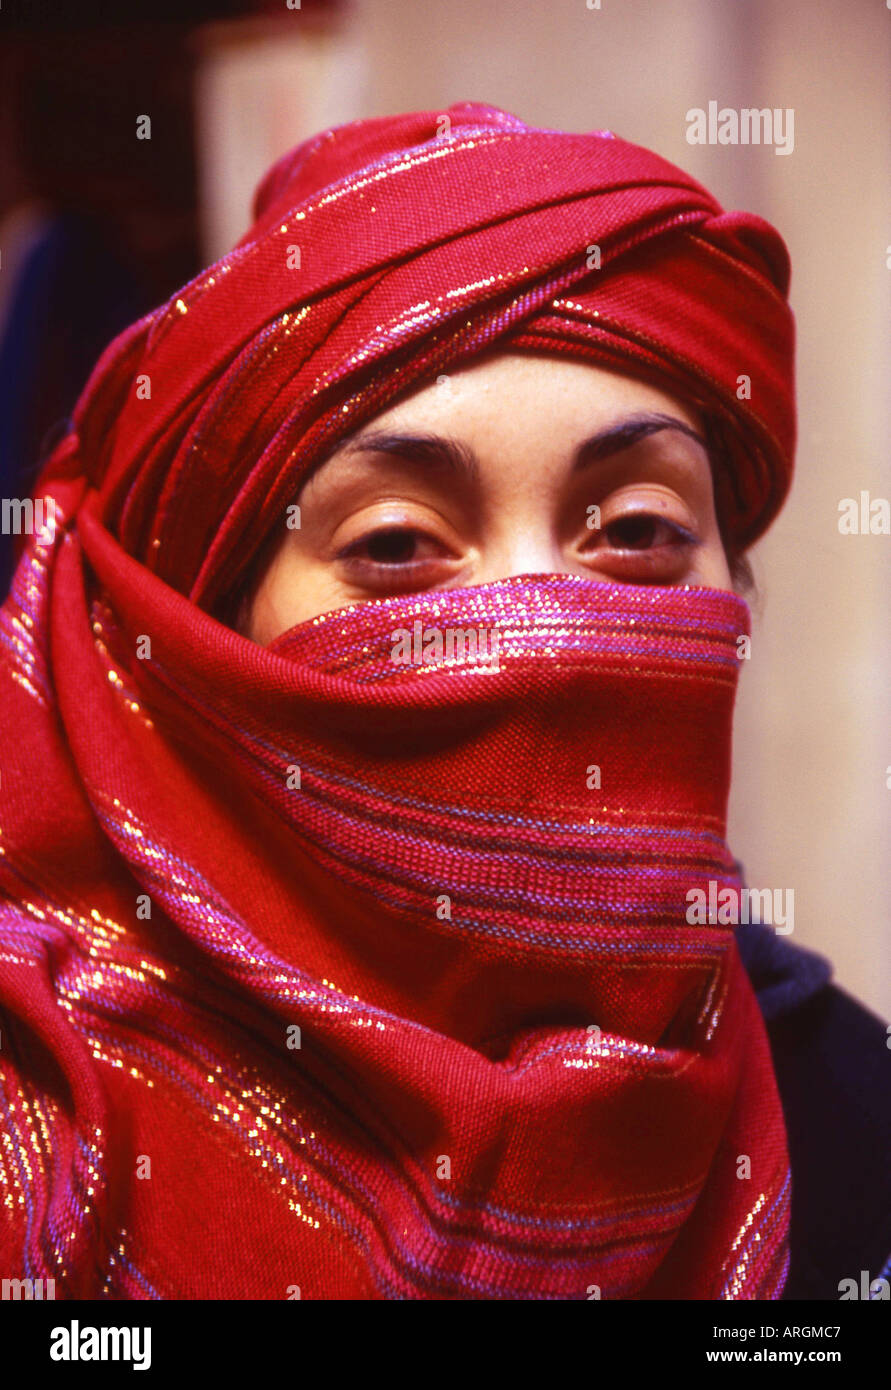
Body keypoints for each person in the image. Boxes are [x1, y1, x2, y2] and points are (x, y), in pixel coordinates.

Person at [0, 102, 887, 1301]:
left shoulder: (855, 1123)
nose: (539, 619)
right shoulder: (44, 1110)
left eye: (634, 529)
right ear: (208, 638)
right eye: (402, 542)